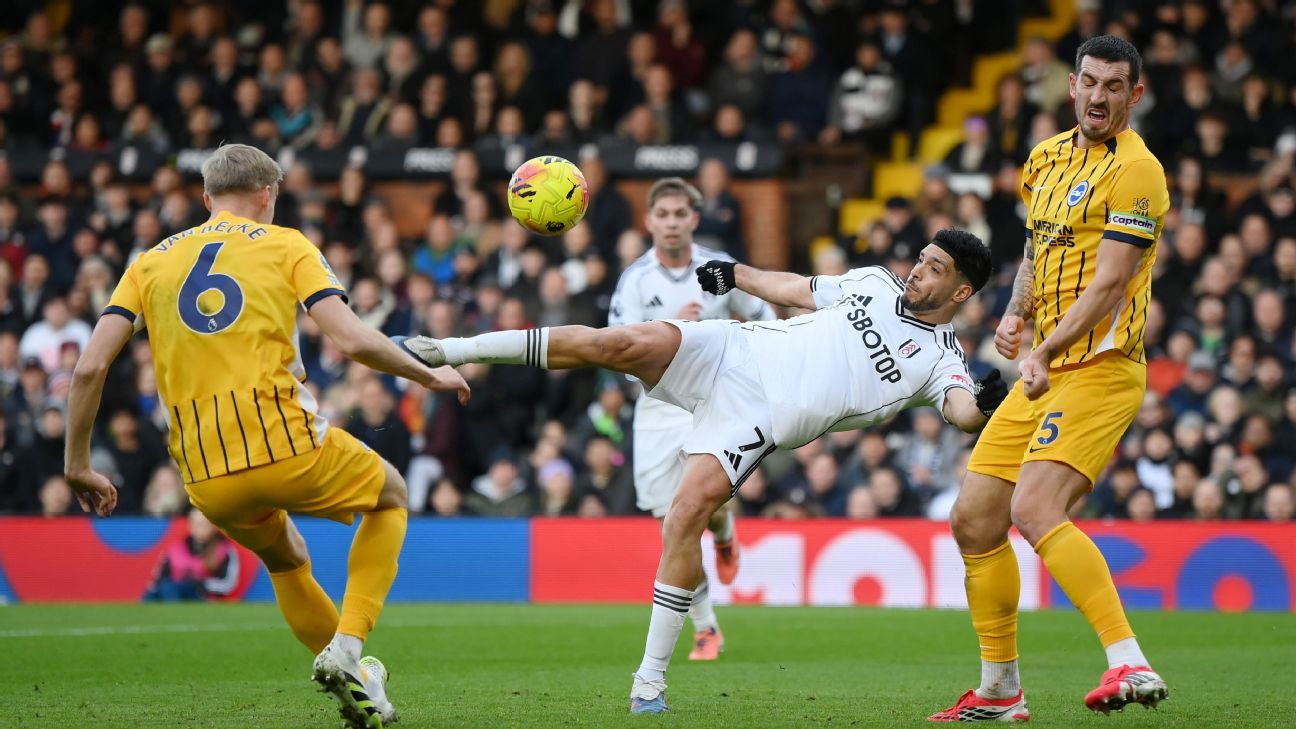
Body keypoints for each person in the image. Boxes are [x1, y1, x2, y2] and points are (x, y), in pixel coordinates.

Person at [400, 228, 1006, 715]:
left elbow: (960, 413)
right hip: (736, 349)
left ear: (960, 293)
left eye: (933, 268)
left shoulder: (939, 358)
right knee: (615, 344)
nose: (916, 271)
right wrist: (738, 275)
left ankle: (649, 682)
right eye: (921, 259)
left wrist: (985, 401)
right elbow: (798, 287)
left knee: (685, 514)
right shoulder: (872, 282)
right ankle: (450, 350)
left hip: (757, 419)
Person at [63, 144, 469, 729]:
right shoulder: (286, 244)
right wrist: (427, 372)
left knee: (287, 559)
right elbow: (351, 341)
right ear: (268, 195)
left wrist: (77, 463)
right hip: (283, 441)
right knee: (392, 495)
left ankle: (356, 680)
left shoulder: (148, 262)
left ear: (205, 200)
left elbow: (88, 369)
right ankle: (350, 650)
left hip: (204, 472)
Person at [930, 36, 1171, 723]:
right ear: (1071, 85)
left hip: (1101, 370)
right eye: (1089, 82)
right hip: (1045, 367)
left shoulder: (1138, 172)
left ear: (1135, 94)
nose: (1099, 97)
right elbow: (1039, 247)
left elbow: (1111, 284)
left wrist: (1041, 349)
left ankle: (1129, 657)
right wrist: (1014, 314)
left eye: (1114, 86)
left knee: (1035, 508)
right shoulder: (1043, 159)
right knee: (974, 517)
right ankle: (1001, 690)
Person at [608, 177, 774, 662]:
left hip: (711, 401)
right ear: (649, 222)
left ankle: (721, 540)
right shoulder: (635, 280)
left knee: (700, 509)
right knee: (671, 525)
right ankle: (709, 626)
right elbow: (616, 349)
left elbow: (762, 318)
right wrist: (670, 333)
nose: (672, 223)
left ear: (694, 220)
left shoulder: (717, 269)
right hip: (658, 406)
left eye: (681, 214)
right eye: (664, 215)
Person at [144, 509, 240, 601]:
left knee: (169, 588)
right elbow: (159, 578)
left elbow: (227, 584)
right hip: (172, 591)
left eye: (204, 525)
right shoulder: (176, 549)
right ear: (190, 525)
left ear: (213, 526)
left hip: (202, 597)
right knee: (155, 593)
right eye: (197, 524)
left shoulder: (223, 550)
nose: (200, 529)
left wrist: (201, 585)